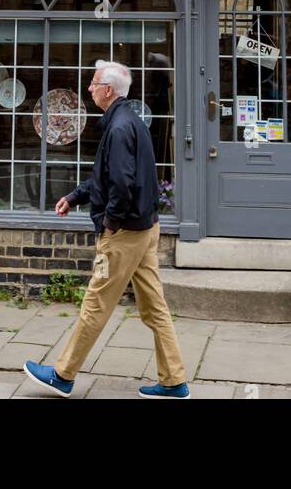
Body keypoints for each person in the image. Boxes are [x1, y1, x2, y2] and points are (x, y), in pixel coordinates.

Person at [24, 59, 189, 399]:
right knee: (155, 307)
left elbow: (122, 184)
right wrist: (75, 196)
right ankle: (174, 381)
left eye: (94, 83)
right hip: (145, 228)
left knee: (95, 304)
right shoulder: (130, 121)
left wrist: (110, 224)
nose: (89, 88)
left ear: (109, 90)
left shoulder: (117, 127)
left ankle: (62, 375)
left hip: (125, 234)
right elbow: (107, 176)